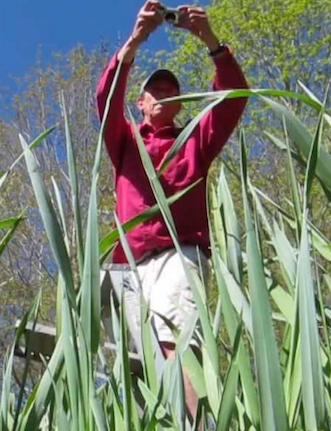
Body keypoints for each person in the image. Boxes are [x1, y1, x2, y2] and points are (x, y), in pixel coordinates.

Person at [95, 0, 248, 422]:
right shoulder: (125, 140)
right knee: (132, 363)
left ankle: (194, 424)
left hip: (178, 256)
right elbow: (106, 99)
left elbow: (233, 99)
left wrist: (210, 39)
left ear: (181, 103)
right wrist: (136, 39)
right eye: (154, 92)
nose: (164, 95)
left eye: (171, 92)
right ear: (141, 104)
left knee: (177, 343)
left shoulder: (196, 141)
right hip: (127, 267)